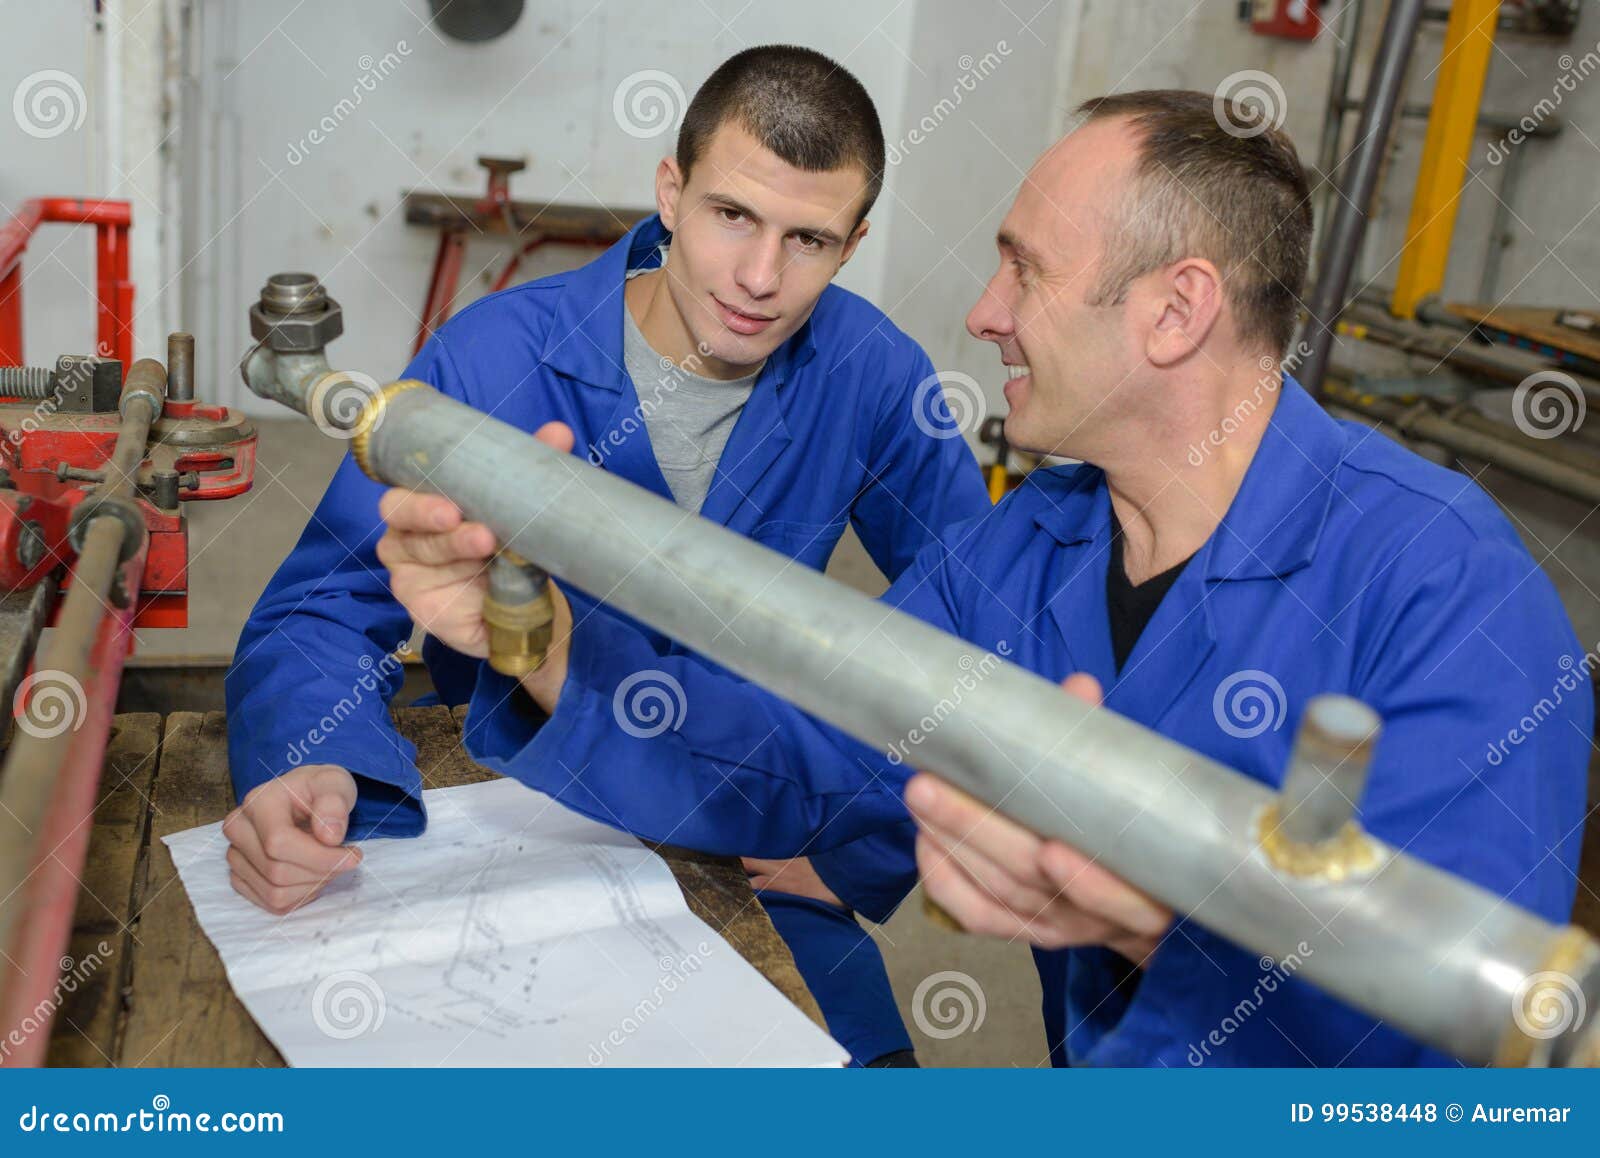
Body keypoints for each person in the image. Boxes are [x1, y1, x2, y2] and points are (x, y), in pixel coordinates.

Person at [386, 90, 1590, 1065]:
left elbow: (1483, 1063)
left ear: (1175, 313)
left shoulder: (1448, 589)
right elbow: (798, 770)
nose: (981, 313)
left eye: (1024, 271)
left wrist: (1163, 927)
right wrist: (537, 645)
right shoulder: (1029, 545)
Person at [223, 45, 990, 1067]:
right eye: (731, 216)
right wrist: (307, 752)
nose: (760, 279)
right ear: (669, 192)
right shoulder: (492, 354)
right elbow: (324, 601)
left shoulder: (873, 373)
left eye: (807, 238)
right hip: (521, 821)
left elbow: (979, 639)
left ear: (850, 245)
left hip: (744, 822)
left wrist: (865, 845)